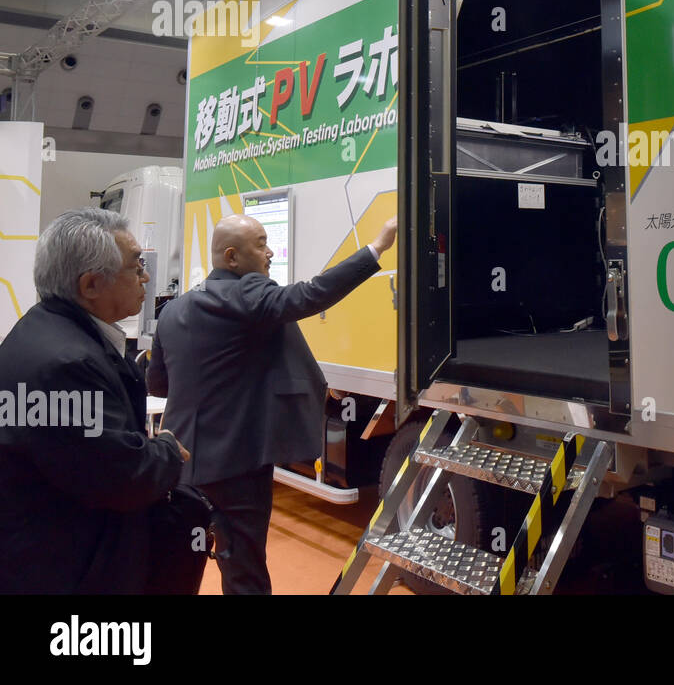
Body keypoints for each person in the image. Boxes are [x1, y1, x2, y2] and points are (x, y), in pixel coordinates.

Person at [148, 213, 397, 594]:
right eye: (261, 244)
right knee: (244, 569)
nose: (270, 253)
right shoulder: (249, 296)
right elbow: (312, 293)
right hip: (238, 466)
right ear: (232, 257)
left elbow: (160, 384)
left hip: (182, 461)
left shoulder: (173, 311)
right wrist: (377, 247)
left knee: (182, 562)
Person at [0, 208, 189, 593]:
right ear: (90, 285)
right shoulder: (66, 364)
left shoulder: (44, 332)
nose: (147, 277)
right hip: (68, 570)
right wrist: (167, 449)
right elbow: (123, 476)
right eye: (136, 266)